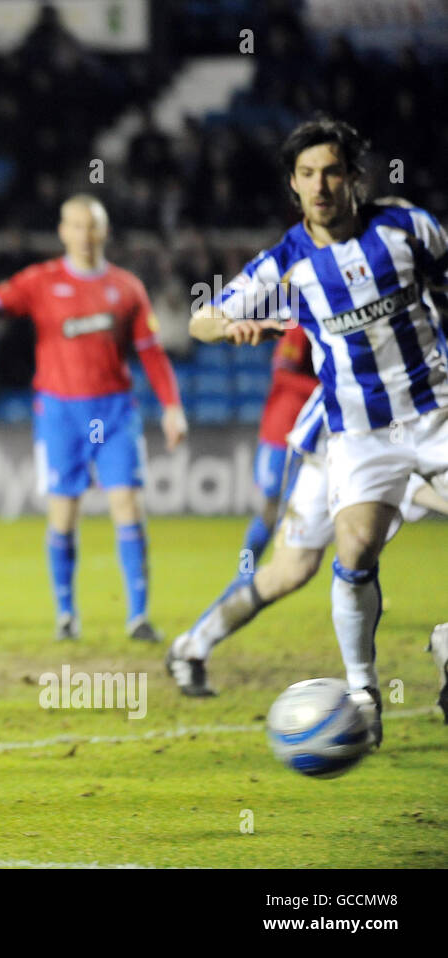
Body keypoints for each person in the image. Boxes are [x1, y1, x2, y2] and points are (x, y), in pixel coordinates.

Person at [188, 116, 448, 745]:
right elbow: (201, 320)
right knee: (353, 551)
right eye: (308, 175)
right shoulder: (286, 265)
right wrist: (230, 325)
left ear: (354, 176)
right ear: (294, 186)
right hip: (359, 432)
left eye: (332, 171)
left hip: (439, 408)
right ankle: (362, 691)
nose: (321, 185)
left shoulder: (408, 228)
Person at [0, 194, 188, 641]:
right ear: (62, 231)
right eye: (75, 225)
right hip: (59, 413)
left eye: (92, 225)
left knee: (127, 505)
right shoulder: (40, 281)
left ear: (104, 231)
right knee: (63, 512)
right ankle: (66, 615)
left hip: (115, 410)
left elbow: (151, 352)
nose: (84, 234)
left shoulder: (127, 288)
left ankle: (137, 616)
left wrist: (172, 406)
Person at [167, 385, 448, 699]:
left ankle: (375, 685)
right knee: (290, 571)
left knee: (344, 556)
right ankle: (193, 646)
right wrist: (230, 331)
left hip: (417, 431)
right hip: (338, 441)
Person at [239, 323, 317, 573]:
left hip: (312, 434)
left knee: (299, 511)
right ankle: (244, 572)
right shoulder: (300, 326)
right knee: (271, 510)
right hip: (280, 432)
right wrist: (323, 390)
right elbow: (282, 373)